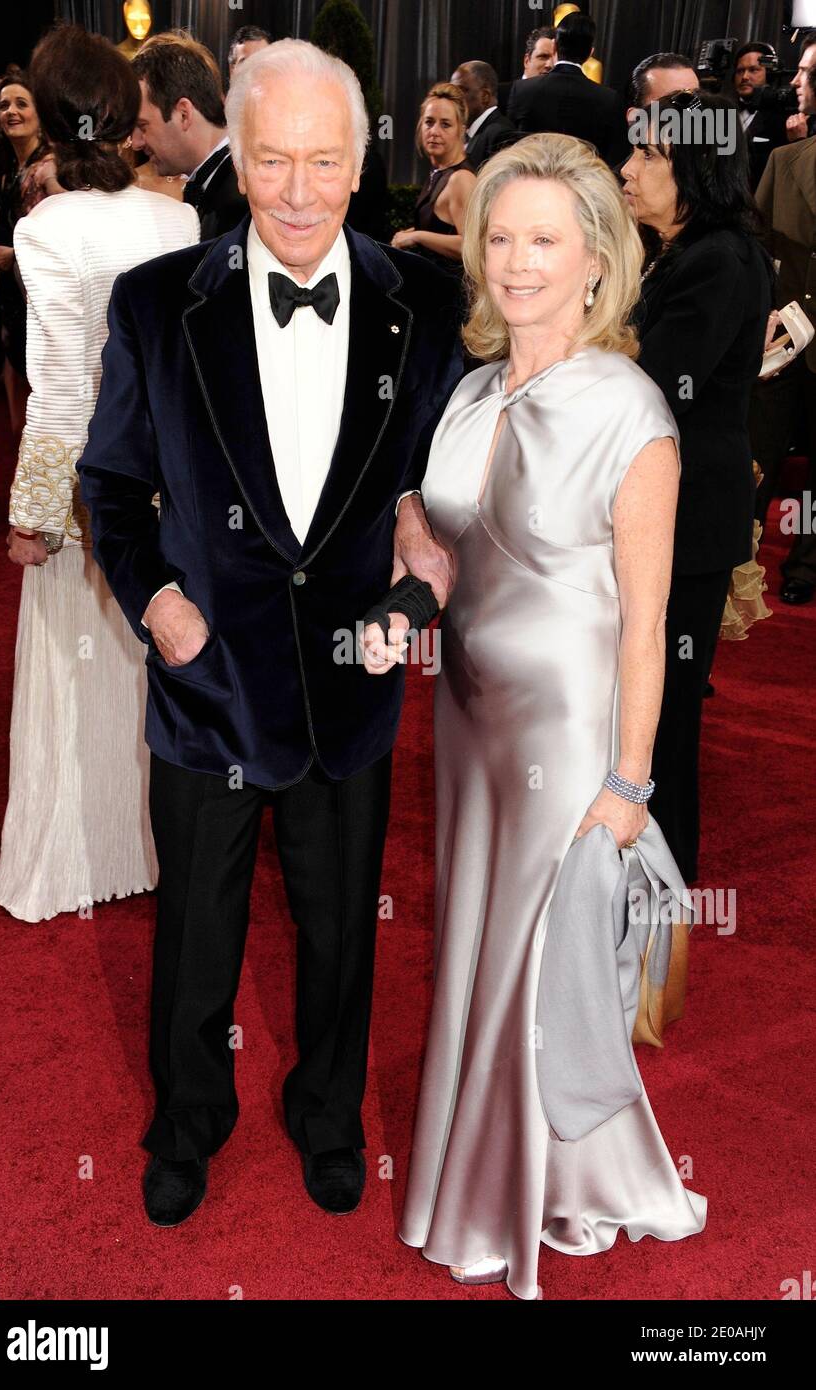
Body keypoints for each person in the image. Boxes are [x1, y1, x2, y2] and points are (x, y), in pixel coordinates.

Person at [75, 38, 464, 1229]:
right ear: (236, 160)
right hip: (208, 683)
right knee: (195, 933)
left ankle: (329, 1116)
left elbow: (439, 477)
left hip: (351, 682)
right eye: (274, 160)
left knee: (343, 931)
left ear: (360, 164)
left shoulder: (422, 304)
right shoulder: (157, 304)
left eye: (324, 161)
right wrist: (156, 601)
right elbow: (111, 483)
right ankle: (187, 1120)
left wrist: (419, 532)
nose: (298, 191)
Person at [362, 133, 706, 1302]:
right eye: (499, 237)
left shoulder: (630, 410)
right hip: (468, 722)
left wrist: (628, 784)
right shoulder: (469, 390)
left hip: (566, 729)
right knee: (479, 945)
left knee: (530, 958)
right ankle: (520, 1166)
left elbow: (646, 622)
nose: (514, 262)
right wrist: (406, 578)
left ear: (596, 260)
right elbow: (448, 543)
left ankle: (507, 1194)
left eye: (543, 241)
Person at [0, 25, 200, 923]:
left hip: (88, 485)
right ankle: (145, 846)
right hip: (167, 485)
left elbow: (64, 383)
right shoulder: (179, 218)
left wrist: (33, 512)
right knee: (145, 662)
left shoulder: (46, 228)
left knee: (73, 676)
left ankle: (69, 863)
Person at [621, 90, 774, 881]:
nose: (627, 169)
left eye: (647, 154)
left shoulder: (715, 259)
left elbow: (652, 391)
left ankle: (660, 902)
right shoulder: (690, 252)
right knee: (644, 721)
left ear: (694, 165)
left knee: (661, 724)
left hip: (681, 524)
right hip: (671, 515)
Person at [749, 58, 816, 605]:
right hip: (782, 348)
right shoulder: (784, 161)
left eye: (807, 73)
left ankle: (806, 564)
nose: (795, 82)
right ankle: (738, 557)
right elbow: (758, 253)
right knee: (758, 459)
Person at [0, 72, 47, 432]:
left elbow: (60, 237)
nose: (11, 112)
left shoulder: (50, 169)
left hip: (41, 302)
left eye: (21, 103)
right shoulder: (10, 172)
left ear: (39, 113)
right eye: (4, 105)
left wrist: (14, 253)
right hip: (13, 300)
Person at [131, 31, 248, 238]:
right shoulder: (224, 182)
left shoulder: (241, 198)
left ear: (184, 114)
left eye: (143, 126)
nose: (136, 143)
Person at [508, 11, 629, 167]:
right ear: (590, 53)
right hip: (585, 182)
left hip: (528, 178)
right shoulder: (609, 99)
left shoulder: (521, 90)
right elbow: (615, 159)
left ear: (554, 46)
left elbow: (508, 151)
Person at [391, 83, 475, 275]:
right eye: (429, 122)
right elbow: (441, 228)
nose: (434, 131)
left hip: (450, 288)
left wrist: (418, 236)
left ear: (461, 130)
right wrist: (412, 233)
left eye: (445, 124)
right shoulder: (439, 171)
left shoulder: (461, 179)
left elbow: (470, 246)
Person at [732, 42, 789, 189]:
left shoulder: (782, 119)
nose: (745, 77)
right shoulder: (722, 113)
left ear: (770, 74)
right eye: (740, 71)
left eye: (753, 70)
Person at [450, 61, 515, 172]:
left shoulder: (501, 134)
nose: (452, 98)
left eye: (460, 91)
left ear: (485, 96)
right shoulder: (466, 133)